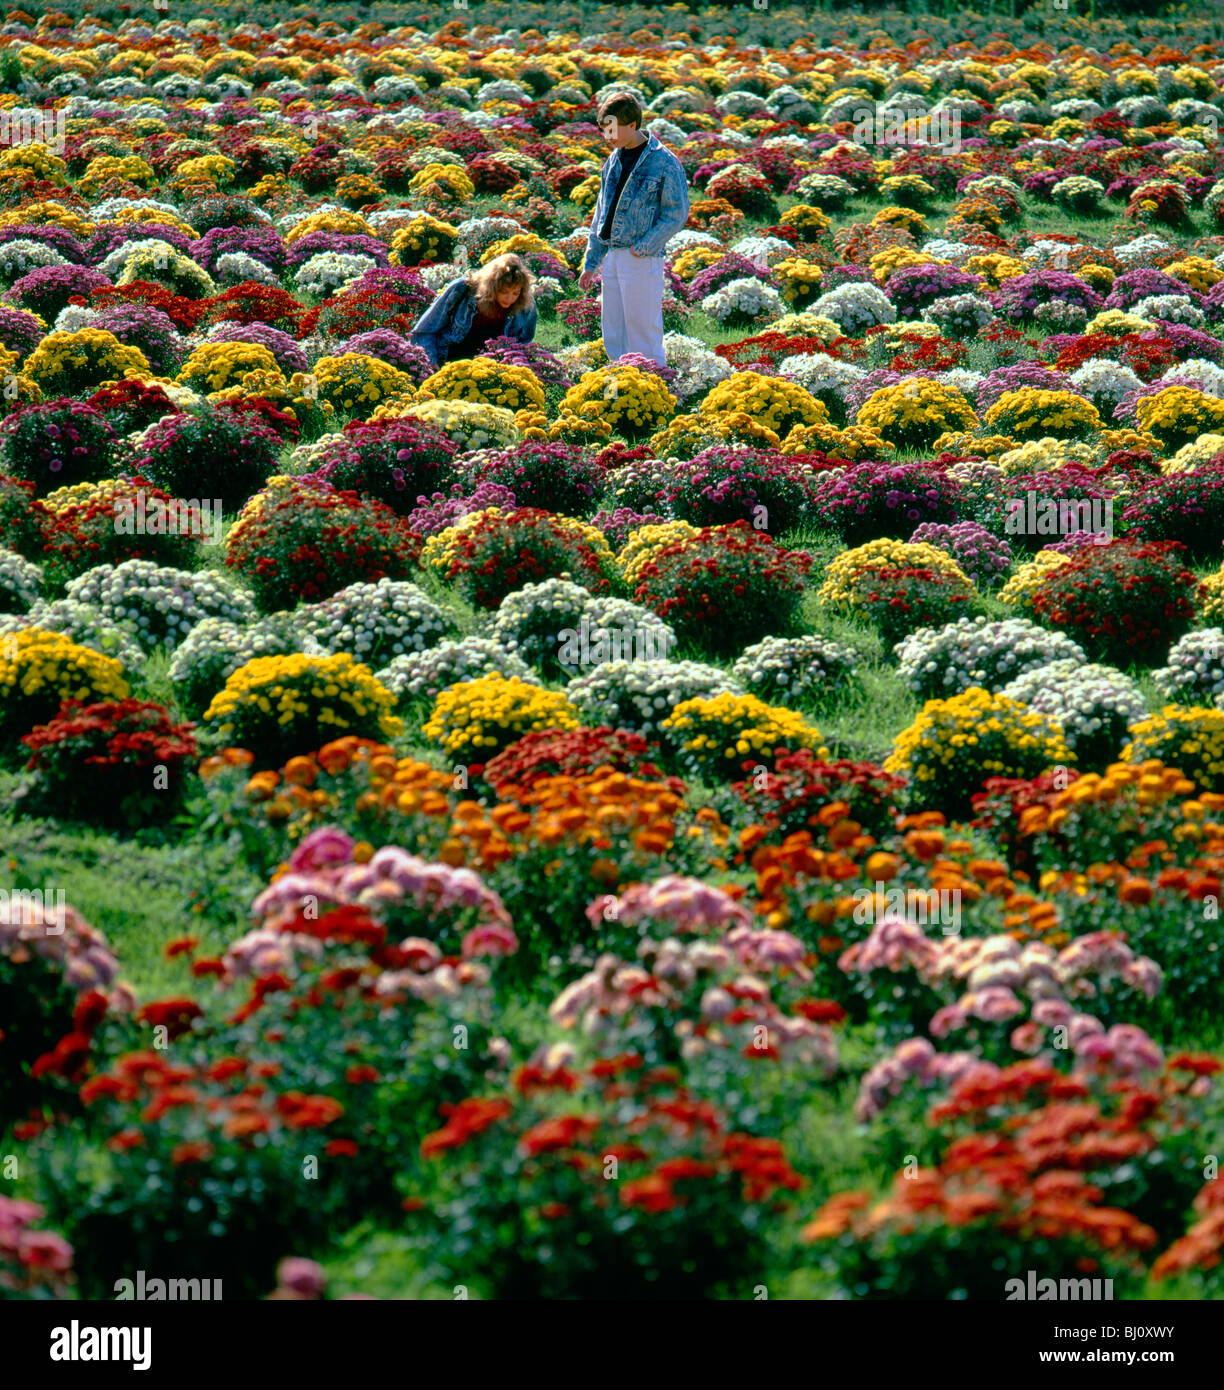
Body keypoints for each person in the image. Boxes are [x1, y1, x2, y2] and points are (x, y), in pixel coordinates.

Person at [578, 92, 690, 370]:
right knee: (613, 329)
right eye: (605, 131)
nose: (609, 137)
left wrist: (642, 248)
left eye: (613, 130)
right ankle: (623, 384)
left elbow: (676, 213)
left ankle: (655, 382)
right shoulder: (613, 161)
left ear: (633, 125)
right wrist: (591, 263)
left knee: (642, 330)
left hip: (641, 256)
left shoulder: (663, 161)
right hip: (613, 256)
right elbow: (601, 214)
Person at [409, 252, 538, 371]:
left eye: (515, 293)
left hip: (495, 368)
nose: (510, 299)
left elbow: (524, 342)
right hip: (450, 362)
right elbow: (425, 330)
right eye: (503, 291)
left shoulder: (526, 303)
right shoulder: (462, 289)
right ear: (491, 287)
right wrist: (431, 361)